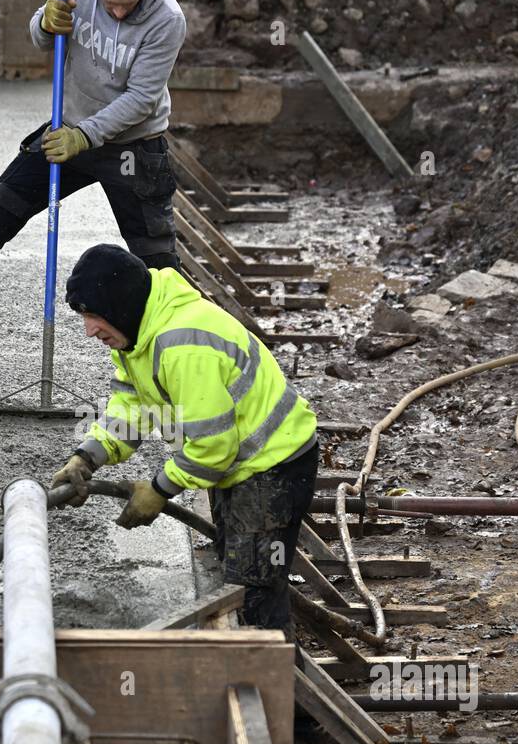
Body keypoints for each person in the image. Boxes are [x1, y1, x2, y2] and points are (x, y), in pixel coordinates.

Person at [51, 245, 320, 637]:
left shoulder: (182, 344)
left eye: (93, 315)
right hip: (245, 466)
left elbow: (213, 448)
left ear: (121, 305)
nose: (89, 330)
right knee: (237, 569)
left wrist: (160, 489)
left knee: (252, 594)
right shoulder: (139, 331)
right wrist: (87, 457)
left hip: (273, 467)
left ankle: (273, 679)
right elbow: (132, 406)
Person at [0, 0, 187, 312]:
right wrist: (45, 23)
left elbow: (140, 99)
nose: (118, 13)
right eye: (110, 3)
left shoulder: (167, 19)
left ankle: (178, 344)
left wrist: (84, 136)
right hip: (68, 129)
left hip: (132, 147)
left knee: (158, 260)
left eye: (127, 4)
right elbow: (40, 38)